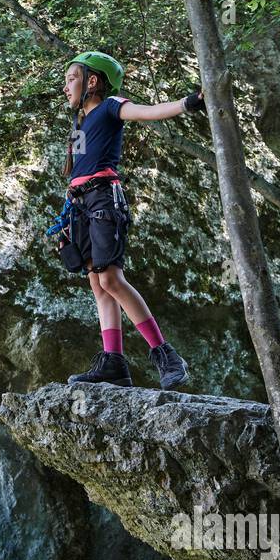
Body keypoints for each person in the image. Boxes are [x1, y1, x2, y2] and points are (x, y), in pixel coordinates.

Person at [55, 51, 205, 388]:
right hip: (82, 205)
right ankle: (114, 363)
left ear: (92, 81)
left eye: (71, 79)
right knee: (98, 283)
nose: (65, 87)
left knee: (110, 279)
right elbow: (78, 170)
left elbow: (148, 112)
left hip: (105, 200)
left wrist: (189, 102)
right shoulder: (79, 124)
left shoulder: (110, 107)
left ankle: (166, 354)